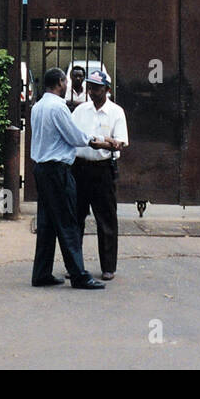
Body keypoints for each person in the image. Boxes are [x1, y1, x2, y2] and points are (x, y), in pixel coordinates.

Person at [30, 67, 118, 290]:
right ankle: (78, 274)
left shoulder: (38, 106)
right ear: (60, 82)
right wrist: (97, 140)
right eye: (66, 81)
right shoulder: (58, 107)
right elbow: (73, 136)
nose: (69, 84)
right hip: (57, 170)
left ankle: (41, 273)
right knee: (68, 222)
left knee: (47, 223)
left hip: (40, 168)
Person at [70, 69, 127, 281]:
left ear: (107, 90)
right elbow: (72, 135)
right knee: (75, 218)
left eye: (97, 88)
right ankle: (74, 265)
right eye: (90, 87)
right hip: (80, 168)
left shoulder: (116, 112)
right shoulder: (81, 111)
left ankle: (108, 267)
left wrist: (104, 143)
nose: (92, 91)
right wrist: (105, 140)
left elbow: (120, 142)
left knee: (106, 220)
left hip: (103, 169)